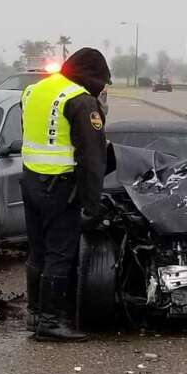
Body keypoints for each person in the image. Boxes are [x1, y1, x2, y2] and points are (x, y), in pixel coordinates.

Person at [20, 48, 111, 342]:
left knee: (38, 251)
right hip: (60, 187)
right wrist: (92, 205)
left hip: (31, 180)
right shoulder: (81, 101)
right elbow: (93, 159)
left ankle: (35, 312)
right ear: (93, 76)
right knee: (61, 254)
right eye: (102, 81)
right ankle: (51, 322)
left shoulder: (34, 90)